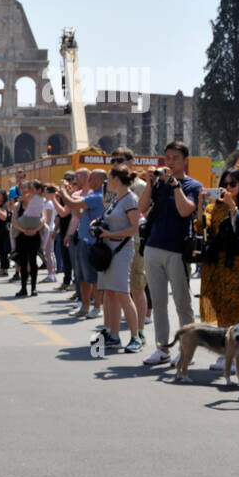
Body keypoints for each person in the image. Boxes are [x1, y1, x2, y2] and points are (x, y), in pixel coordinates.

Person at [137, 141, 202, 367]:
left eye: (175, 157)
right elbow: (142, 208)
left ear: (185, 160)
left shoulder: (193, 185)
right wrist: (149, 183)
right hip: (153, 247)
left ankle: (187, 351)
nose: (170, 162)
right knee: (159, 301)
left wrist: (175, 186)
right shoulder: (159, 184)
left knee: (183, 303)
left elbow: (186, 210)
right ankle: (162, 348)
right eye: (167, 157)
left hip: (177, 251)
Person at [197, 168, 239, 371]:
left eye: (233, 184)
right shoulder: (213, 207)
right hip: (214, 265)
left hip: (233, 264)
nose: (228, 188)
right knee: (220, 310)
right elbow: (201, 228)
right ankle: (225, 353)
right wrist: (201, 204)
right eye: (225, 184)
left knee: (234, 310)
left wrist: (232, 208)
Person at [95, 165, 143, 353]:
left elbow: (135, 228)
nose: (107, 181)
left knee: (123, 293)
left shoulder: (130, 199)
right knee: (112, 293)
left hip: (120, 251)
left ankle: (135, 337)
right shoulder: (118, 199)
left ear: (116, 179)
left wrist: (108, 234)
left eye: (109, 177)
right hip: (109, 250)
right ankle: (114, 335)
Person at [58, 171, 107, 318]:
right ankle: (85, 307)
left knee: (93, 278)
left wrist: (62, 191)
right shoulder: (94, 196)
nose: (89, 181)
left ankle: (97, 307)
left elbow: (73, 203)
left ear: (98, 181)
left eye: (91, 178)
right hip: (83, 239)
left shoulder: (98, 196)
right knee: (82, 277)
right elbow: (80, 214)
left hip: (92, 243)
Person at [12, 180, 45, 297]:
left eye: (27, 188)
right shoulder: (18, 205)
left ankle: (34, 288)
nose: (25, 190)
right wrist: (24, 231)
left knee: (33, 261)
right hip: (22, 236)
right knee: (23, 262)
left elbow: (43, 218)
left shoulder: (37, 202)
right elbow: (14, 222)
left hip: (34, 236)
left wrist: (35, 230)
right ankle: (23, 288)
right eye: (22, 188)